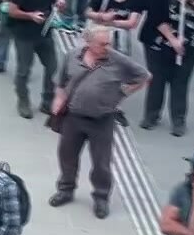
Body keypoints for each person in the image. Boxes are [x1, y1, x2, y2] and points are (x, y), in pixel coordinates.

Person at [49, 25, 148, 219]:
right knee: (66, 155)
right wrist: (58, 100)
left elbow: (144, 76)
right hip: (73, 117)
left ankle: (101, 197)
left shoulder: (117, 61)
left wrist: (123, 93)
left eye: (109, 43)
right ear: (88, 42)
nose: (107, 47)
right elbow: (61, 83)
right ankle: (66, 189)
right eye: (102, 44)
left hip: (102, 120)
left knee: (101, 162)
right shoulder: (72, 56)